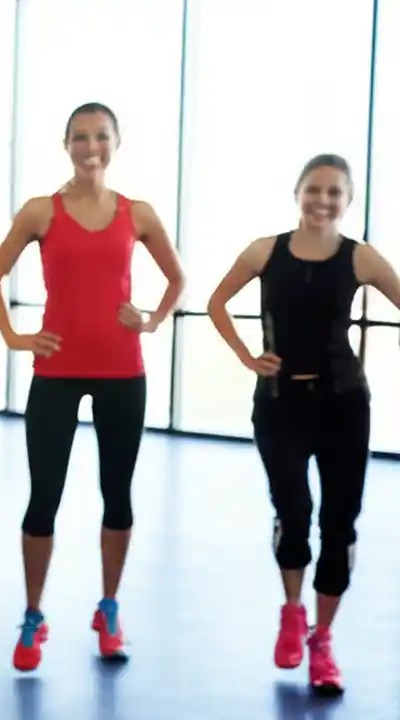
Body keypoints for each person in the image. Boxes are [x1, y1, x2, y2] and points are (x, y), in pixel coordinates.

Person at [0, 102, 184, 672]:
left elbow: (177, 277)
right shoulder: (40, 213)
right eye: (80, 137)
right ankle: (32, 615)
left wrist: (149, 319)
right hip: (57, 371)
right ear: (66, 144)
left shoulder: (136, 213)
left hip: (123, 370)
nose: (90, 146)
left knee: (116, 494)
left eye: (100, 137)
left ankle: (110, 609)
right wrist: (16, 337)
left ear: (115, 143)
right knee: (43, 495)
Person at [206, 154, 399, 697]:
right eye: (314, 189)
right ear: (297, 192)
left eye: (335, 193)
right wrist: (249, 356)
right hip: (279, 402)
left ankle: (323, 640)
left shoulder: (359, 259)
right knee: (294, 515)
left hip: (345, 406)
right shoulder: (265, 251)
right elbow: (217, 302)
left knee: (340, 527)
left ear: (348, 201)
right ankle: (292, 612)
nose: (323, 200)